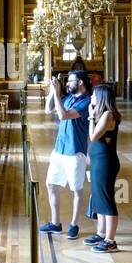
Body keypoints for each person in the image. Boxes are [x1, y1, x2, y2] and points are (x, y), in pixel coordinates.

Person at [41, 70, 91, 236]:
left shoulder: (87, 101)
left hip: (75, 152)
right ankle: (55, 223)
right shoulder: (68, 98)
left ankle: (74, 225)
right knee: (51, 184)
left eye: (70, 81)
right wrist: (51, 92)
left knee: (76, 189)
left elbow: (63, 115)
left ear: (81, 82)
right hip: (59, 149)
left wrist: (56, 92)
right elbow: (49, 110)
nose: (67, 84)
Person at [85, 84, 121, 252]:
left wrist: (91, 117)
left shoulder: (108, 115)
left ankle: (110, 240)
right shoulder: (103, 115)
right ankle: (101, 232)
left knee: (106, 200)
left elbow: (93, 136)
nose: (91, 98)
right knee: (98, 198)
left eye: (93, 95)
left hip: (106, 163)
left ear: (101, 98)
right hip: (98, 162)